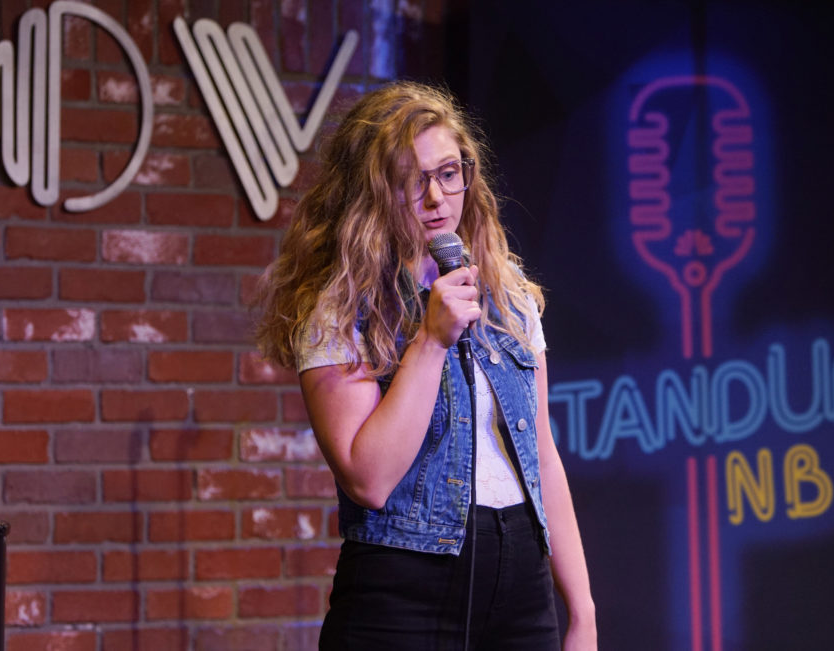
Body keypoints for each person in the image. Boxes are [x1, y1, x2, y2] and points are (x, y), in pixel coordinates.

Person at [254, 81, 596, 650]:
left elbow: (541, 453)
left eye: (447, 173)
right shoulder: (342, 314)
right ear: (373, 192)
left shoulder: (506, 297)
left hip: (519, 584)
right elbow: (369, 478)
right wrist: (431, 342)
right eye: (413, 181)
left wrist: (581, 610)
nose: (437, 197)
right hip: (402, 590)